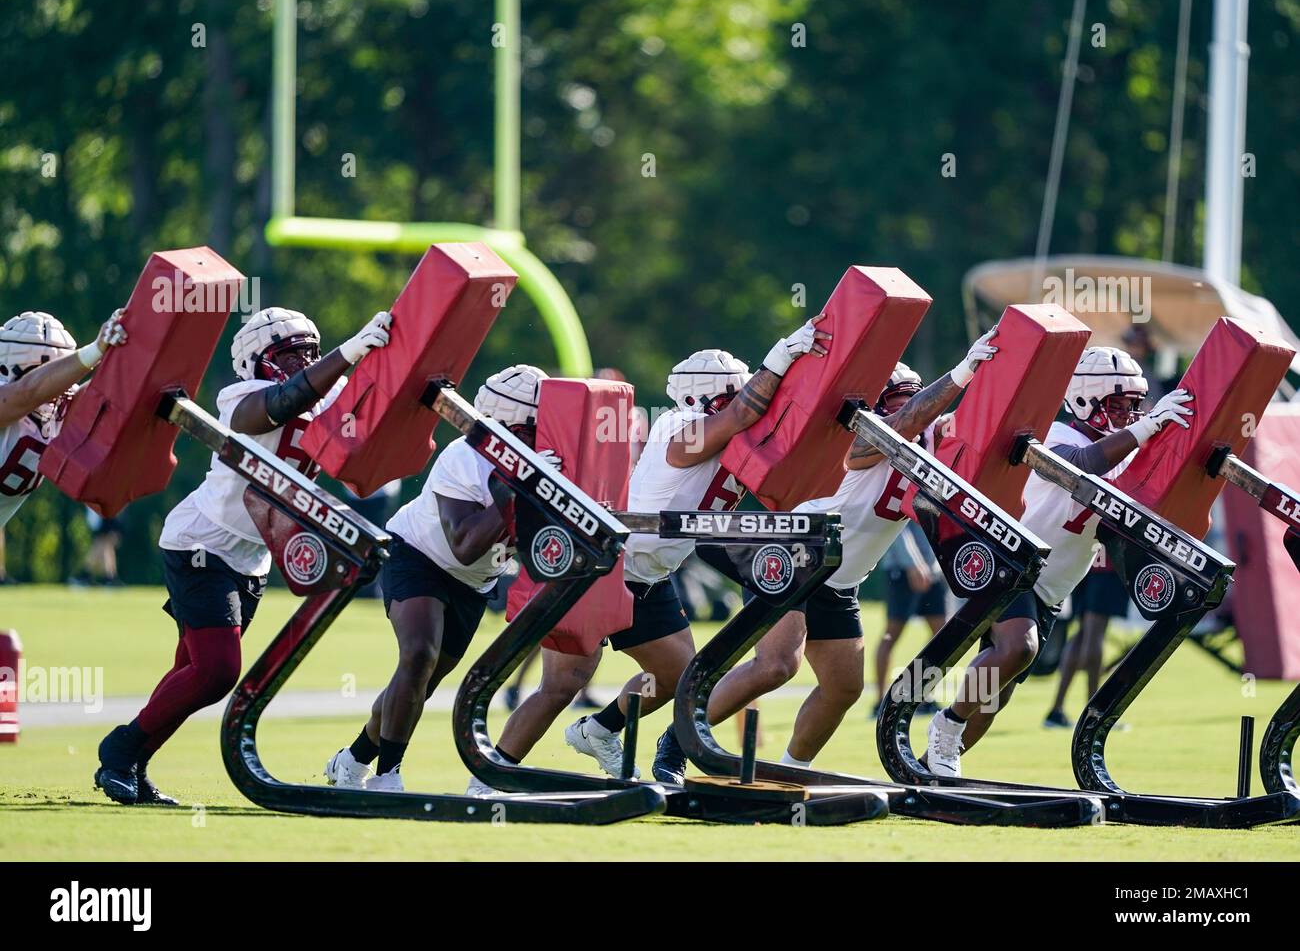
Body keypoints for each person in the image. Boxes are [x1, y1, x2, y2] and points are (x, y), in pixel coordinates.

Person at [461, 318, 832, 792]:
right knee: (562, 683)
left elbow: (768, 419)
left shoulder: (730, 432)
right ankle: (489, 779)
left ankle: (599, 730)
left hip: (651, 574)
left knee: (679, 677)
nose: (744, 405)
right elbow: (740, 414)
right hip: (607, 567)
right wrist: (780, 358)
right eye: (728, 396)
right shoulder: (680, 429)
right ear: (699, 400)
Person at [93, 306, 392, 805]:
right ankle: (119, 751)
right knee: (216, 672)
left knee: (189, 673)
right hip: (201, 541)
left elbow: (379, 413)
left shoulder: (329, 394)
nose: (304, 363)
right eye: (290, 354)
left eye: (311, 353)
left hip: (249, 558)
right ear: (257, 361)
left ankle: (132, 763)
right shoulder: (240, 395)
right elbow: (277, 404)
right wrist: (351, 351)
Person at [683, 336, 999, 774]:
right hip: (799, 556)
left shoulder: (928, 441)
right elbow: (903, 424)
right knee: (776, 666)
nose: (905, 409)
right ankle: (675, 743)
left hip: (840, 578)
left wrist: (996, 374)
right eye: (894, 401)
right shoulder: (856, 441)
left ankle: (791, 770)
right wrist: (962, 371)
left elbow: (967, 426)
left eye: (910, 398)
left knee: (843, 687)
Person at [924, 346, 1194, 777]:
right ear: (1086, 399)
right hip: (1011, 560)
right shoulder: (1058, 435)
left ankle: (936, 766)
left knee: (999, 693)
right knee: (1019, 647)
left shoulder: (1125, 454)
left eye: (1134, 407)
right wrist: (1149, 426)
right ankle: (946, 723)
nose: (1129, 415)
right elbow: (1079, 467)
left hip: (1052, 586)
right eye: (1119, 405)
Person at [323, 365, 560, 793]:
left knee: (419, 682)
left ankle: (353, 758)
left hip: (474, 582)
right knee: (418, 656)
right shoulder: (464, 456)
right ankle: (387, 777)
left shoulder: (543, 464)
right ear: (506, 423)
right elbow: (464, 543)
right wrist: (520, 488)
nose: (541, 439)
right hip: (419, 554)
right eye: (534, 429)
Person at [0, 309, 128, 529]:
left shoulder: (59, 407)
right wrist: (96, 350)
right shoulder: (18, 396)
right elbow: (29, 391)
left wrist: (127, 344)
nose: (55, 392)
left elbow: (108, 391)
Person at [1043, 552, 1129, 728]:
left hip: (1085, 563)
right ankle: (1095, 713)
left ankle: (1056, 710)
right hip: (1106, 563)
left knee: (1083, 634)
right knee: (1094, 634)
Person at [874, 519, 946, 718]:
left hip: (932, 570)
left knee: (943, 635)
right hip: (902, 569)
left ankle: (922, 696)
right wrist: (913, 564)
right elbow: (898, 526)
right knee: (891, 634)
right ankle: (880, 702)